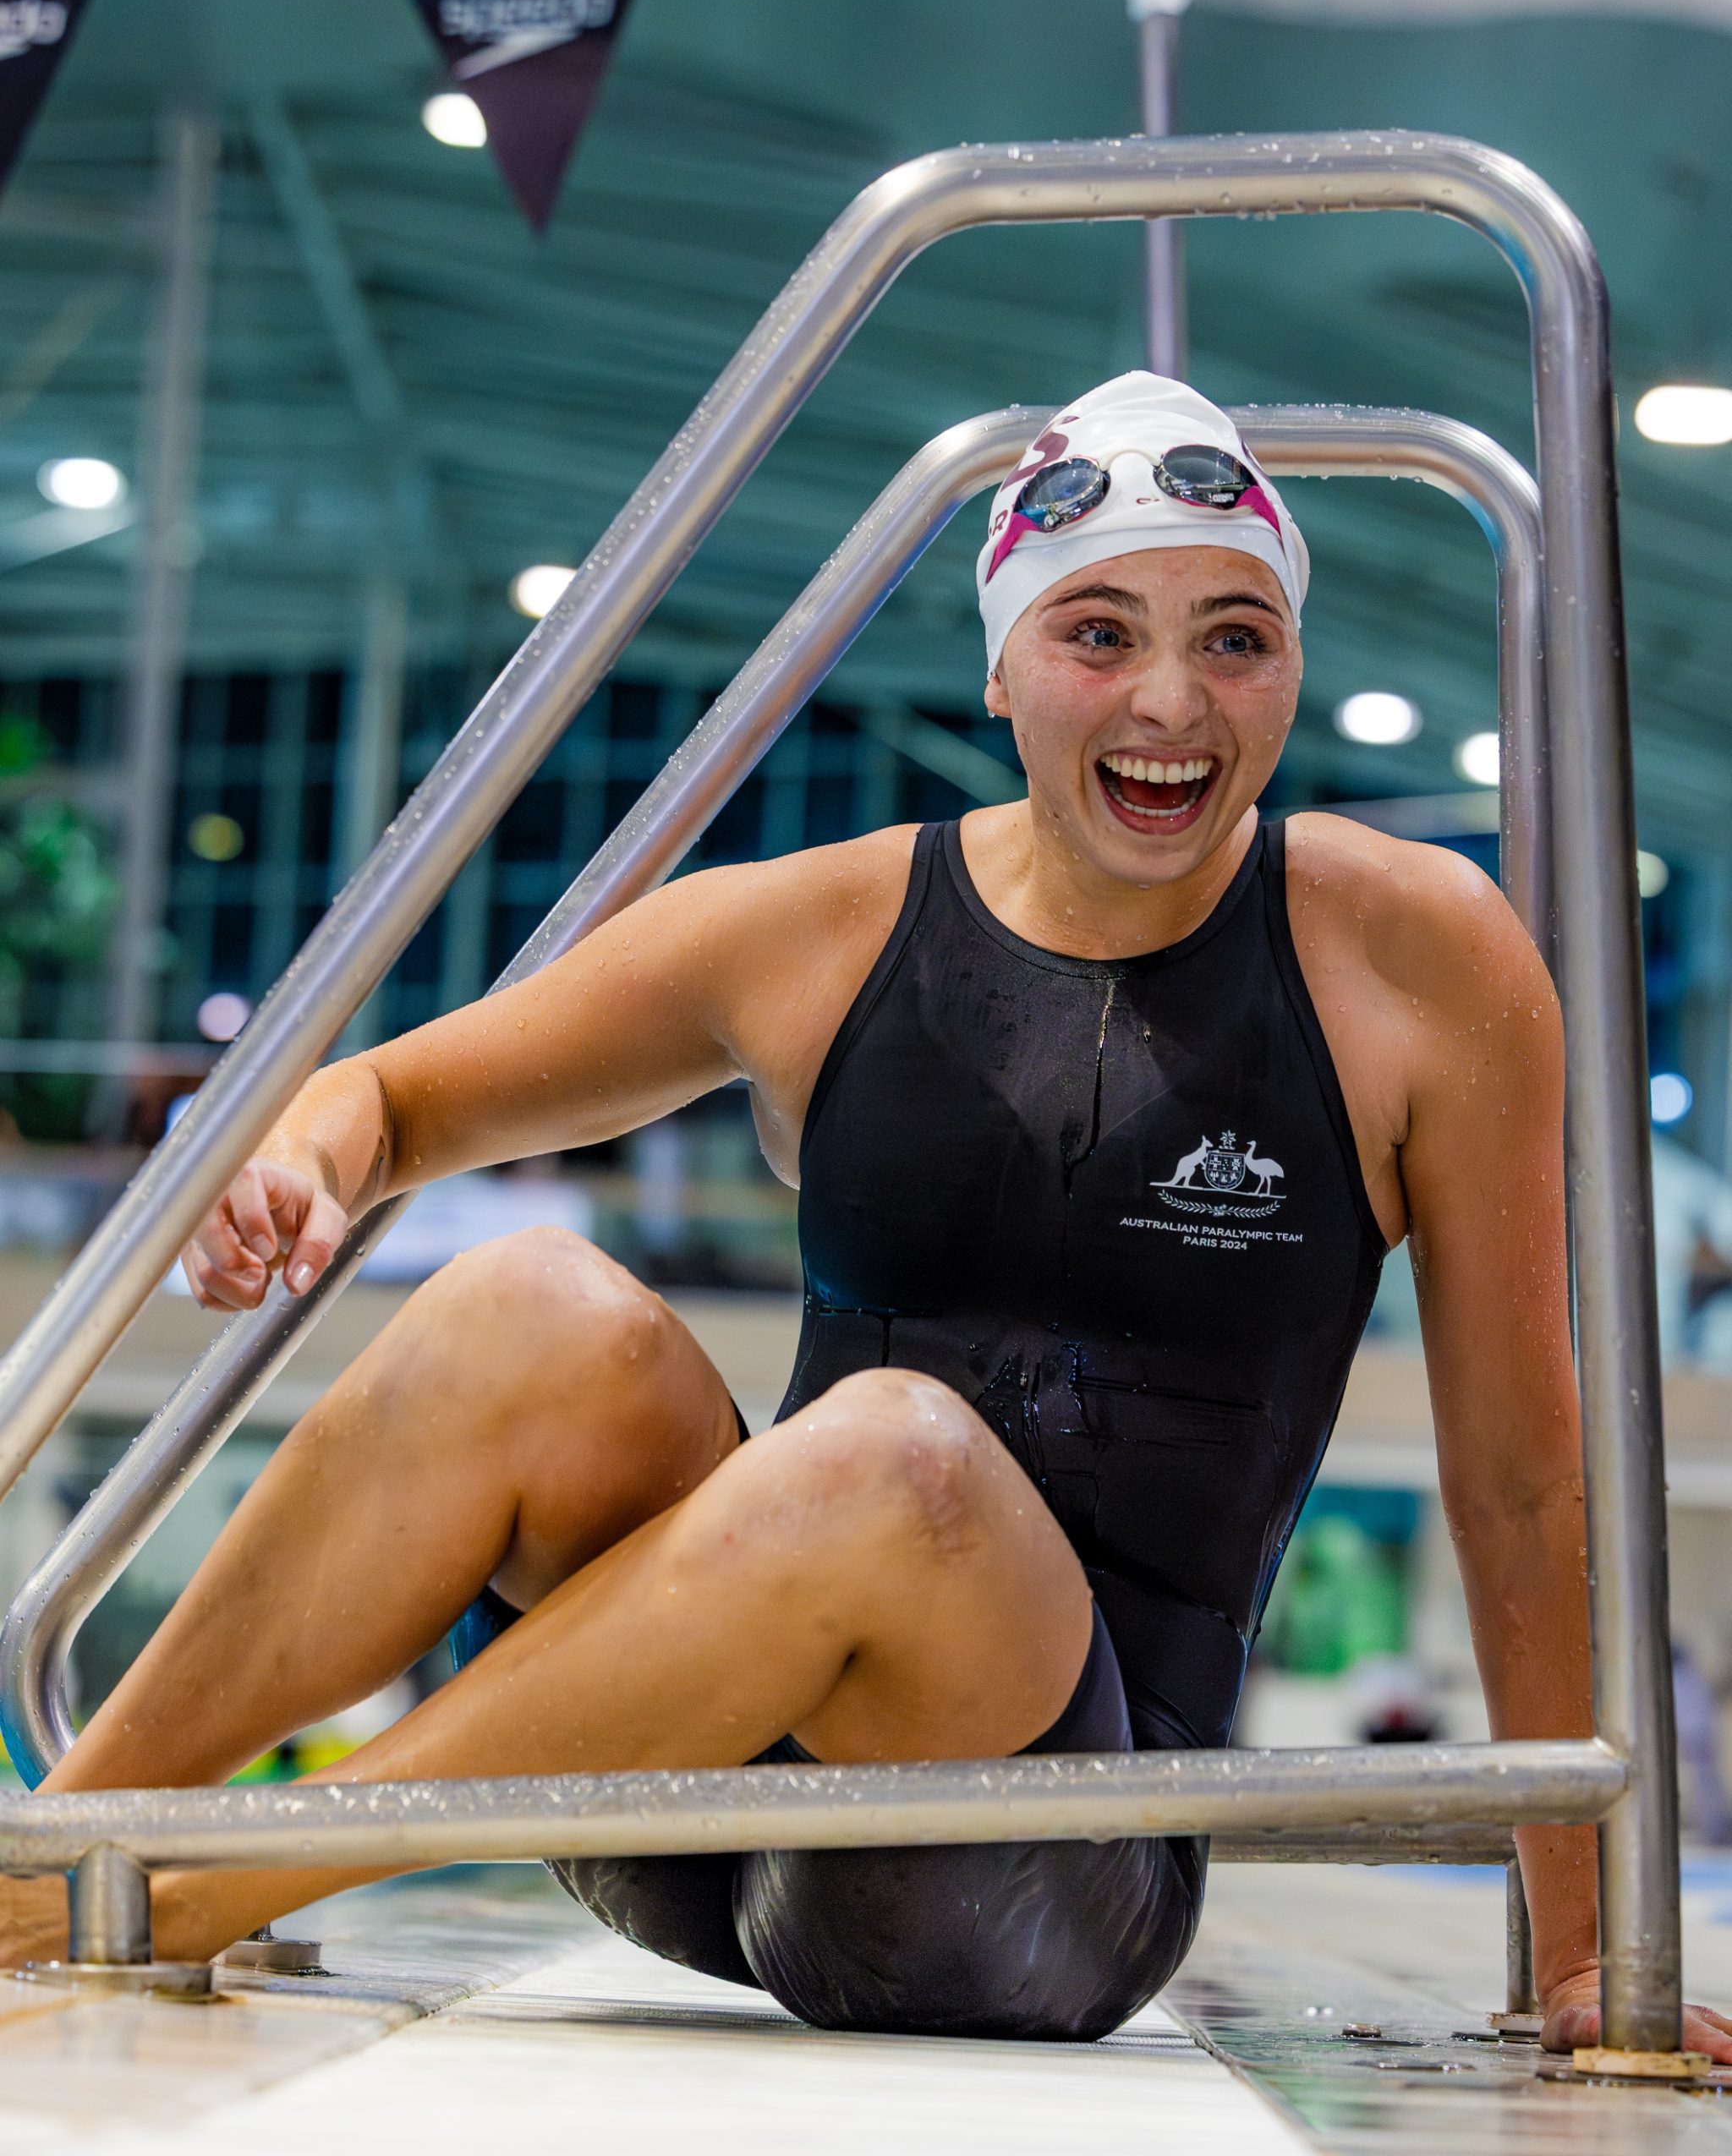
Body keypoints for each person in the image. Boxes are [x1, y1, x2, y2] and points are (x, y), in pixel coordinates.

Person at [6, 373, 1727, 2056]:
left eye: (1233, 637)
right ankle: (54, 1855)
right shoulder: (823, 928)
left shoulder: (1416, 956)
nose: (1170, 704)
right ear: (996, 660)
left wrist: (1587, 1953)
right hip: (703, 1807)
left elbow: (1518, 1475)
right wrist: (300, 1161)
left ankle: (195, 1879)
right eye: (1099, 631)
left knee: (894, 1459)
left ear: (1290, 664)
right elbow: (390, 1100)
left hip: (1042, 1869)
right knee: (528, 1302)